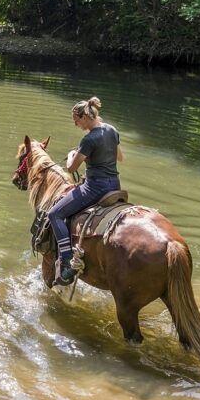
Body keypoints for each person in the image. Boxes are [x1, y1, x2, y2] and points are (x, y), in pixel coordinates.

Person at [47, 96, 123, 286]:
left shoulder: (89, 139)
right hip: (115, 185)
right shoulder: (112, 130)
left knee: (54, 214)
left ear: (84, 116)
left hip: (95, 188)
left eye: (76, 120)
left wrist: (73, 154)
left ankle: (66, 261)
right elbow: (119, 157)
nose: (75, 124)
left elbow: (71, 169)